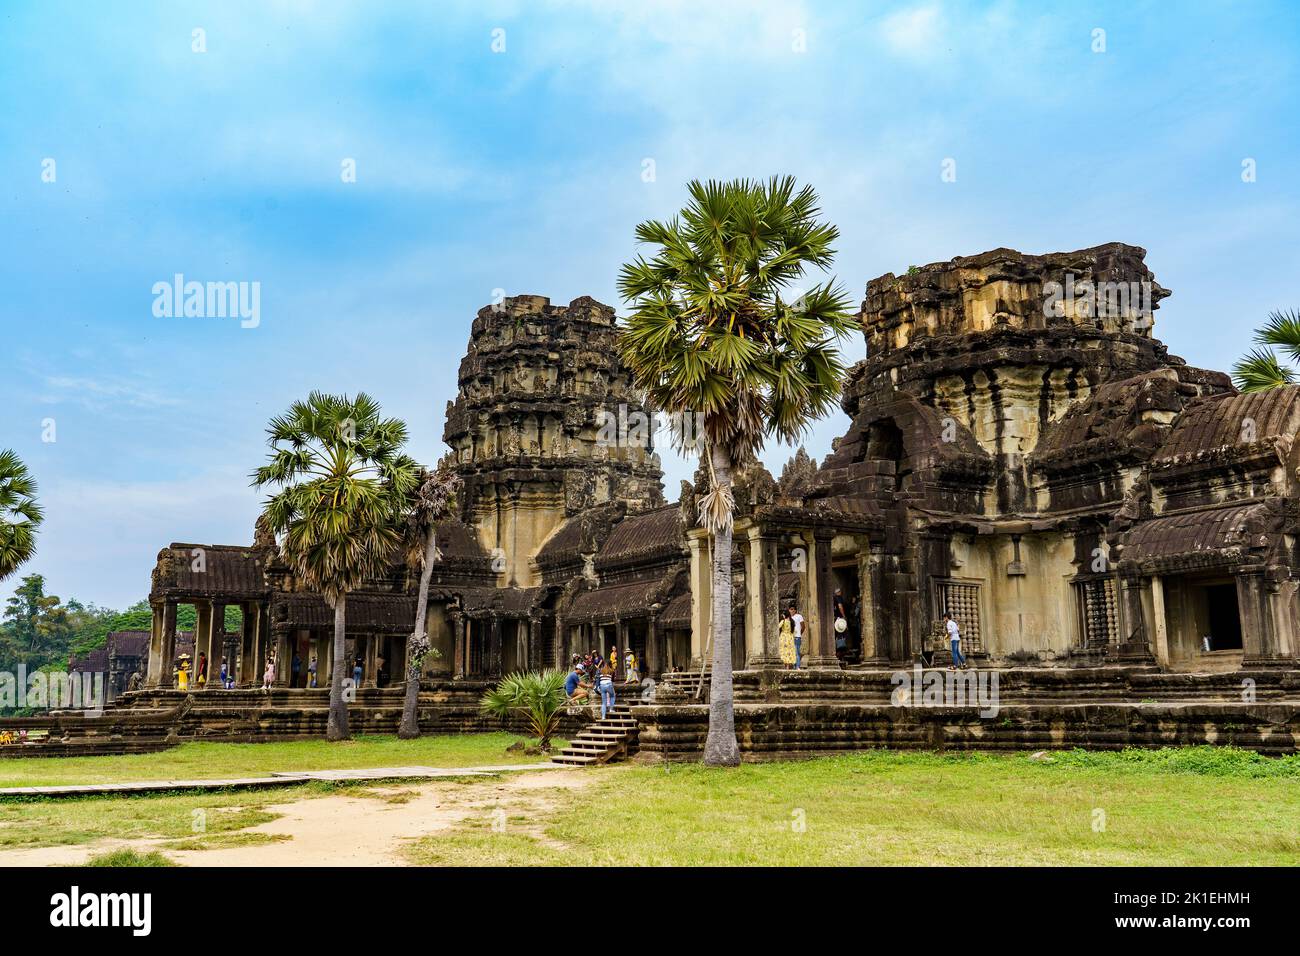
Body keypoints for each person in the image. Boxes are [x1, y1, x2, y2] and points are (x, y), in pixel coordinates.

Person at [789, 603, 804, 669]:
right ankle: (793, 666)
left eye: (793, 609)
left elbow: (803, 626)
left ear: (795, 610)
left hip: (797, 637)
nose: (791, 611)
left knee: (797, 652)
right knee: (791, 652)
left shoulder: (799, 616)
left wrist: (799, 634)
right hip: (790, 637)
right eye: (790, 609)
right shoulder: (788, 618)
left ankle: (797, 666)